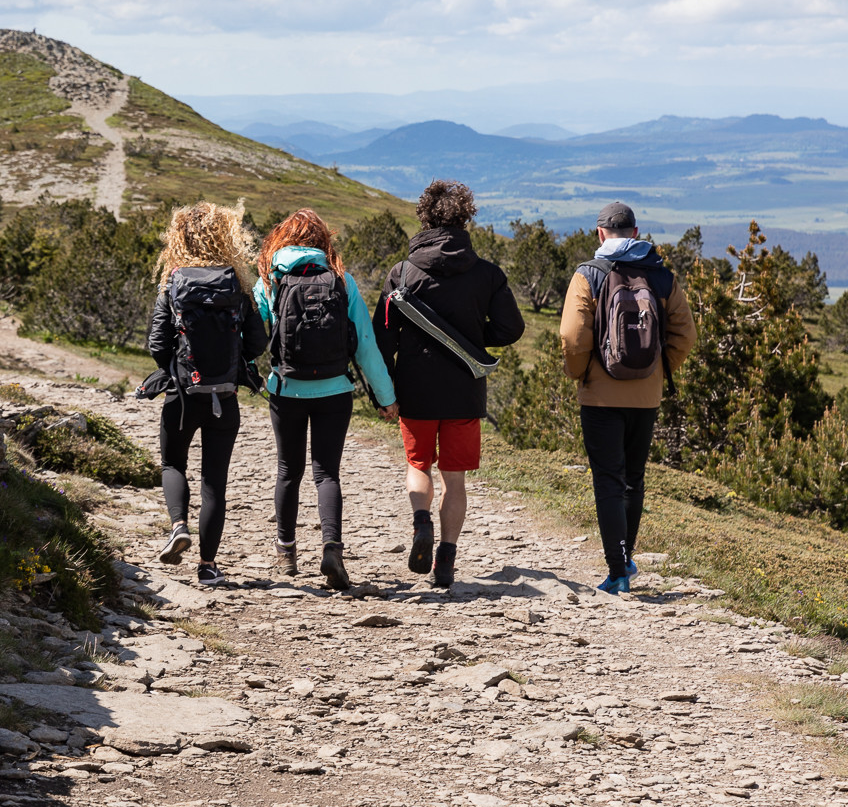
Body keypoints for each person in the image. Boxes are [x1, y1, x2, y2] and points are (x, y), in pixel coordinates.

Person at [375, 181, 524, 587]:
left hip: (415, 389)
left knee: (418, 464)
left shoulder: (401, 274)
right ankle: (446, 559)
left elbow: (381, 338)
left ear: (424, 217)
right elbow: (512, 328)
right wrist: (474, 336)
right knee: (454, 478)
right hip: (464, 392)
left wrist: (384, 393)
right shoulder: (487, 274)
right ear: (466, 217)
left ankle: (421, 523)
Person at [253, 209, 398, 590]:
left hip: (286, 388)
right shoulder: (343, 282)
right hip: (336, 389)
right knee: (327, 473)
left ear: (282, 240)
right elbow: (365, 347)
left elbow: (256, 337)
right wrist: (386, 398)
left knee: (288, 470)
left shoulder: (269, 281)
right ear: (323, 243)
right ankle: (332, 549)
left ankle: (286, 552)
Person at [559, 201, 697, 594]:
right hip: (646, 396)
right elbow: (685, 336)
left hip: (599, 397)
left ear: (600, 233)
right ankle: (625, 559)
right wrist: (656, 369)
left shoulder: (588, 275)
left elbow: (572, 336)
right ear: (636, 233)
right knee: (634, 479)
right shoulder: (662, 276)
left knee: (607, 480)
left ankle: (618, 571)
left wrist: (582, 372)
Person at [148, 202, 269, 586]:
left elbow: (157, 343)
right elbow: (257, 342)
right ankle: (208, 565)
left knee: (173, 464)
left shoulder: (173, 281)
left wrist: (177, 367)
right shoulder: (237, 282)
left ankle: (178, 525)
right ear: (227, 236)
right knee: (215, 480)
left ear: (178, 237)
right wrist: (232, 362)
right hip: (225, 397)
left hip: (182, 395)